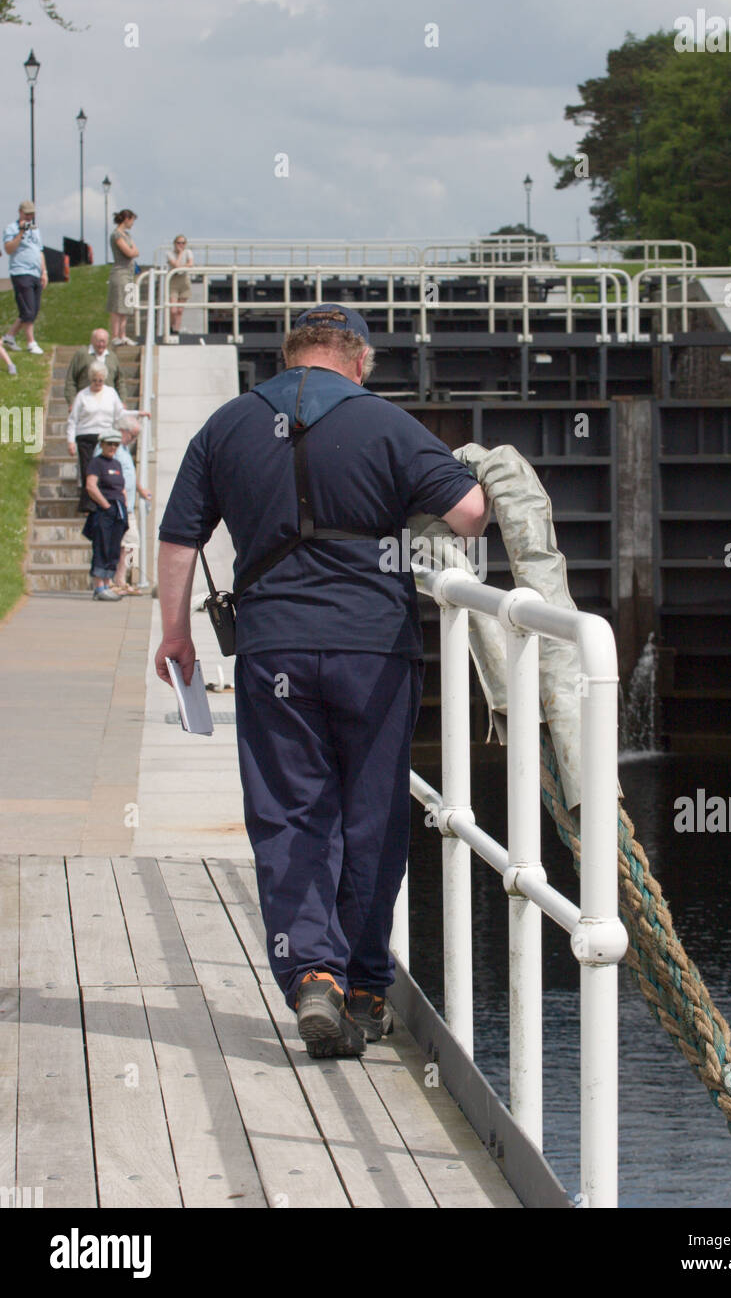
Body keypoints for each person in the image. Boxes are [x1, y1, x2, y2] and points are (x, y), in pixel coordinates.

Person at [155, 304, 488, 1058]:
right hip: (373, 650)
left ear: (288, 357)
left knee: (291, 812)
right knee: (372, 812)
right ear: (359, 359)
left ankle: (314, 972)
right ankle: (367, 987)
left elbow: (180, 538)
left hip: (274, 650)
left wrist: (176, 634)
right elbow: (468, 515)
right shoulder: (387, 423)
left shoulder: (227, 426)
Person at [95, 414, 151, 593]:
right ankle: (115, 580)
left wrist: (140, 489)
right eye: (132, 435)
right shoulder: (110, 449)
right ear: (122, 431)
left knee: (130, 544)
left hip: (125, 505)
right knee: (122, 543)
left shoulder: (124, 450)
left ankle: (119, 579)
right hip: (115, 505)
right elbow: (99, 476)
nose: (134, 440)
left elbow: (127, 475)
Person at [67, 362, 127, 512]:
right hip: (86, 437)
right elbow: (72, 420)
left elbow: (121, 414)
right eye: (94, 380)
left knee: (106, 469)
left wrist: (139, 415)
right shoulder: (82, 395)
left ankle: (106, 499)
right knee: (89, 470)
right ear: (90, 379)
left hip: (105, 437)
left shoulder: (111, 393)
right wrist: (70, 441)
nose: (97, 383)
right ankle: (88, 504)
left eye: (100, 380)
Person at [82, 429, 128, 600]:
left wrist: (124, 505)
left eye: (116, 444)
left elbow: (121, 487)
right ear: (102, 444)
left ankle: (108, 583)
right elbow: (91, 486)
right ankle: (99, 587)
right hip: (104, 511)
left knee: (114, 548)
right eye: (109, 444)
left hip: (119, 512)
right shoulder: (96, 463)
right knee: (101, 547)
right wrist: (106, 505)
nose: (113, 447)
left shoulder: (116, 464)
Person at [2, 200, 48, 356]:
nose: (29, 217)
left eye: (31, 214)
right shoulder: (11, 229)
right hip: (20, 271)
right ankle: (31, 342)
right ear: (20, 212)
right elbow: (8, 249)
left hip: (35, 272)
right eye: (27, 214)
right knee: (28, 309)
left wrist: (44, 271)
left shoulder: (35, 230)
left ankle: (9, 337)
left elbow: (40, 251)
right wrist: (20, 233)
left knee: (32, 310)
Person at [64, 328, 123, 406]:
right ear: (92, 340)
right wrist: (72, 402)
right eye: (99, 341)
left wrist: (122, 401)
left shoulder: (112, 357)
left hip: (108, 403)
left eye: (104, 341)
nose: (101, 344)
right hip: (86, 402)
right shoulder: (82, 354)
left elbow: (120, 381)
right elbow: (71, 380)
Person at [107, 209, 139, 346]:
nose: (132, 223)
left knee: (126, 305)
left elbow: (135, 251)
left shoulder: (127, 235)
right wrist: (133, 252)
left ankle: (123, 335)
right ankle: (115, 336)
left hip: (129, 274)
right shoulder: (116, 235)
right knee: (117, 305)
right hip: (120, 273)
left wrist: (133, 252)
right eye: (132, 220)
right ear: (126, 219)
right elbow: (129, 252)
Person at [165, 235, 194, 335]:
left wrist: (181, 265)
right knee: (173, 309)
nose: (181, 245)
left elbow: (190, 264)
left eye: (183, 243)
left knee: (180, 310)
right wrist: (181, 254)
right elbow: (176, 265)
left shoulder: (189, 252)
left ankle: (176, 331)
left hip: (184, 281)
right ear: (174, 243)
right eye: (178, 243)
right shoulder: (169, 254)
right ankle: (171, 327)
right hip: (173, 280)